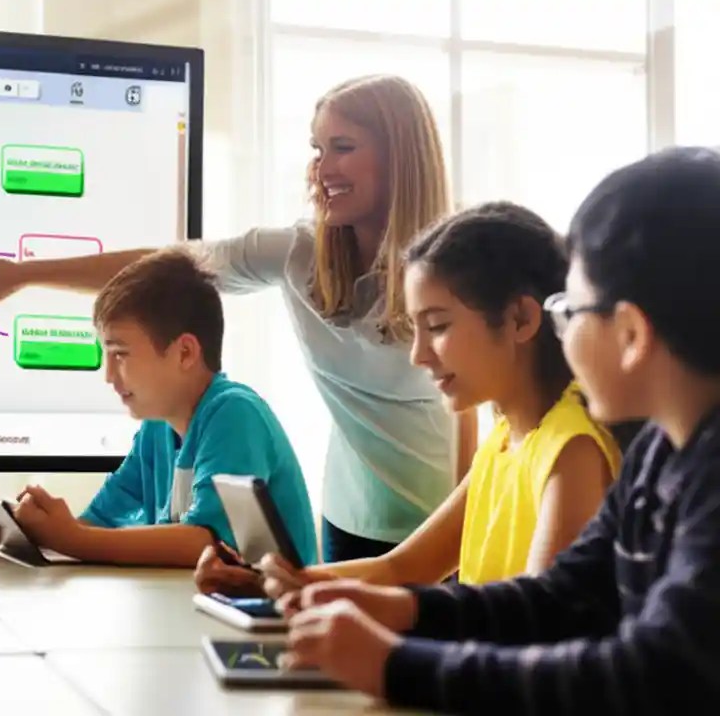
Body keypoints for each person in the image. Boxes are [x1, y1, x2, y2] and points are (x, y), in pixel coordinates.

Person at [0, 74, 477, 562]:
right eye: (318, 150)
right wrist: (24, 274)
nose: (322, 169)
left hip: (439, 508)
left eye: (343, 147)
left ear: (398, 156)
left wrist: (469, 528)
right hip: (349, 514)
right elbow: (167, 268)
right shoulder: (297, 254)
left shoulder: (448, 267)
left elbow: (471, 410)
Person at [265, 146, 720, 713]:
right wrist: (402, 610)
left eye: (570, 311)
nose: (561, 330)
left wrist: (395, 664)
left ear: (630, 334)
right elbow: (559, 599)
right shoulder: (660, 452)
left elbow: (651, 674)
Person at [199, 202, 620, 597]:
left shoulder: (572, 451)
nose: (418, 355)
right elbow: (401, 569)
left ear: (520, 319)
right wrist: (267, 583)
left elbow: (536, 622)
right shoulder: (508, 438)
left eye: (436, 326)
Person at [0, 250, 318, 567]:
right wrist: (28, 531)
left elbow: (206, 543)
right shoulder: (156, 428)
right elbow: (96, 525)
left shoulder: (235, 415)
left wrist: (69, 537)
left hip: (275, 616)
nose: (108, 376)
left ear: (185, 353)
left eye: (120, 354)